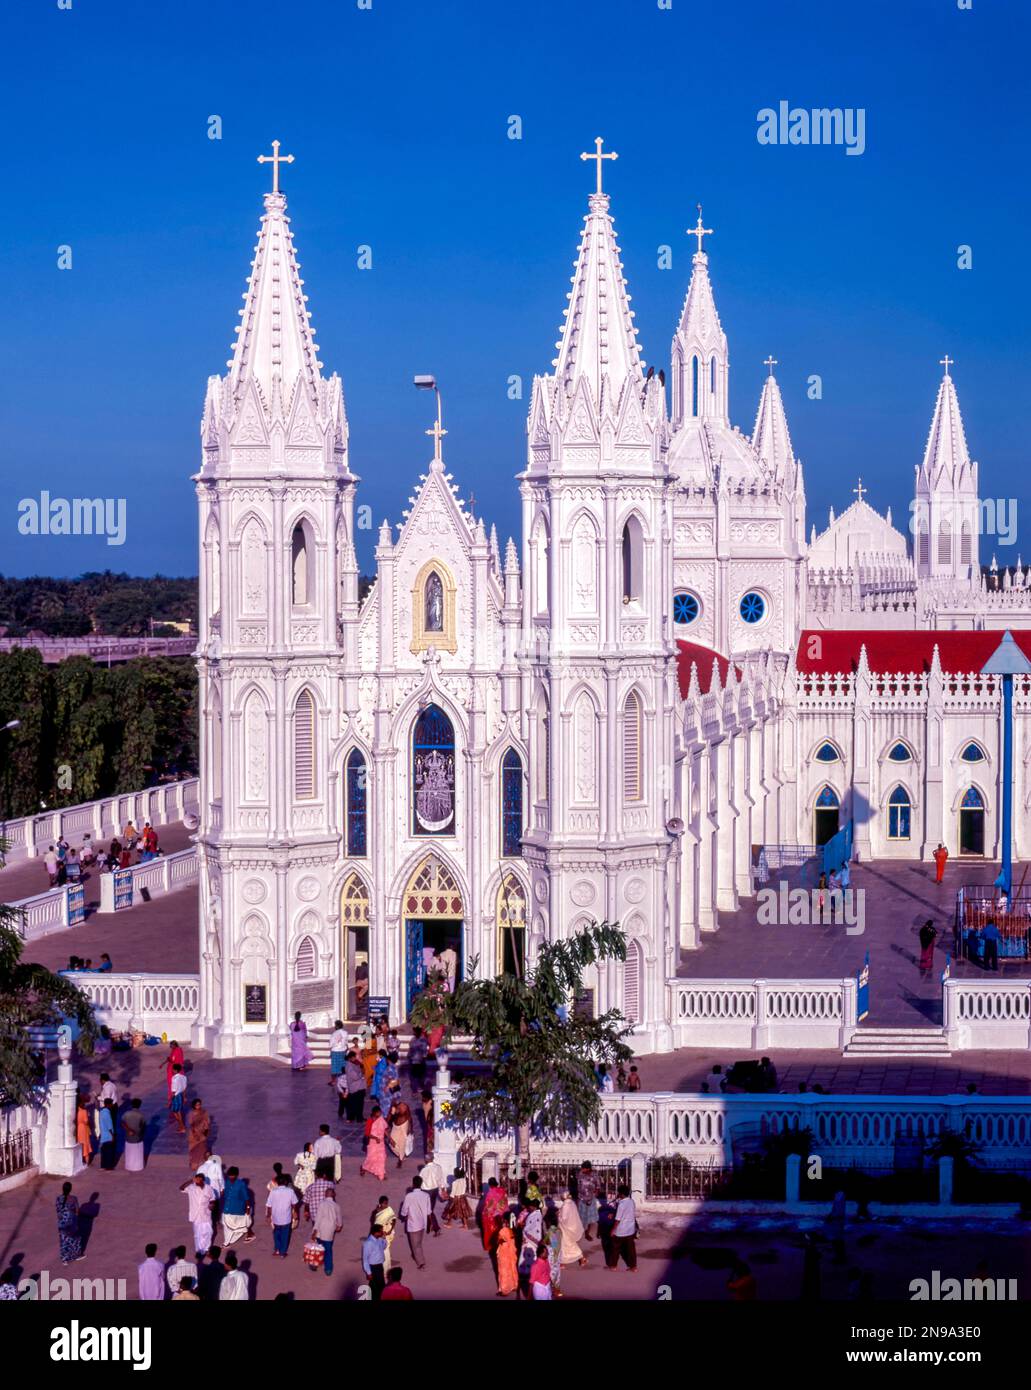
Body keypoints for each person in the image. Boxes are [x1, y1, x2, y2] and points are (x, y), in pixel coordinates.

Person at [399, 1176, 432, 1270]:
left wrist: (403, 1216)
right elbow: (429, 1211)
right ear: (421, 1184)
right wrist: (430, 1223)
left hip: (413, 1224)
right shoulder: (426, 1195)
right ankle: (417, 1255)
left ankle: (421, 1263)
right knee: (419, 1243)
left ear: (413, 1184)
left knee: (415, 1244)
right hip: (422, 1223)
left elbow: (404, 1210)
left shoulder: (409, 1196)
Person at [180, 1172, 216, 1257]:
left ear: (203, 1180)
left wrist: (212, 1205)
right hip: (196, 1215)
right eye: (195, 1179)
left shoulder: (209, 1188)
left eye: (198, 1179)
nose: (196, 1181)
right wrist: (190, 1181)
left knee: (208, 1232)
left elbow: (213, 1198)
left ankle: (207, 1249)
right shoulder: (191, 1187)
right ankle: (198, 1251)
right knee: (197, 1234)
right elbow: (181, 1188)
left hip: (206, 1214)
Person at [606, 1183, 638, 1273]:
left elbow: (618, 1219)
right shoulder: (632, 1201)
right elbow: (626, 1213)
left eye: (619, 1193)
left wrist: (613, 1230)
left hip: (621, 1230)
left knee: (615, 1248)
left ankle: (613, 1266)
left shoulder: (621, 1204)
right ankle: (633, 1267)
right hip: (630, 1229)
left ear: (621, 1194)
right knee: (631, 1249)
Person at [311, 1184, 342, 1276]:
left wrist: (315, 1230)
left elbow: (318, 1218)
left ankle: (315, 1263)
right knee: (328, 1249)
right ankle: (328, 1269)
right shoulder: (336, 1206)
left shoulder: (322, 1204)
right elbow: (339, 1220)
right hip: (330, 1230)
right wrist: (339, 1226)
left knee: (318, 1247)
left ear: (325, 1195)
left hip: (321, 1229)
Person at [266, 1173, 299, 1257]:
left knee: (276, 1233)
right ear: (286, 1182)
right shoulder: (290, 1191)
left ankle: (277, 1249)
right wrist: (295, 1211)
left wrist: (268, 1216)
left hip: (276, 1217)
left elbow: (269, 1205)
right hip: (286, 1217)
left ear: (277, 1182)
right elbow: (295, 1203)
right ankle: (282, 1252)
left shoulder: (273, 1192)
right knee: (285, 1234)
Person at [220, 1166, 255, 1246]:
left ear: (237, 1175)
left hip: (237, 1209)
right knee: (225, 1225)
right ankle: (227, 1242)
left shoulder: (241, 1184)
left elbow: (247, 1199)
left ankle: (249, 1234)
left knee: (241, 1225)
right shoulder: (226, 1182)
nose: (231, 1177)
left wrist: (248, 1209)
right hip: (226, 1208)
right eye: (229, 1175)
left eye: (233, 1175)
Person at [55, 1183, 83, 1265]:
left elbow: (58, 1211)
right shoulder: (73, 1198)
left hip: (62, 1222)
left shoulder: (58, 1198)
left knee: (64, 1240)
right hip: (71, 1222)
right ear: (70, 1189)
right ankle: (76, 1255)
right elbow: (77, 1211)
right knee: (75, 1239)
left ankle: (64, 1259)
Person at [558, 1190, 587, 1265]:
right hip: (572, 1226)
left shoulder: (565, 1205)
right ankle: (581, 1258)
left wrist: (557, 1215)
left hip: (566, 1228)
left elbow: (563, 1218)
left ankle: (564, 1261)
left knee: (566, 1244)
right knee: (569, 1243)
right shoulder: (572, 1203)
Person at [481, 1177, 509, 1252]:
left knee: (490, 1229)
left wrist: (486, 1214)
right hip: (502, 1213)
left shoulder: (490, 1193)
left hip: (494, 1215)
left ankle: (490, 1246)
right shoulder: (502, 1190)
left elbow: (489, 1206)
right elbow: (505, 1201)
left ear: (490, 1185)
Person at [360, 1105, 388, 1181]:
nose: (380, 1114)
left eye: (380, 1112)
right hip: (372, 1143)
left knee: (381, 1158)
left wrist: (390, 1139)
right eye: (378, 1112)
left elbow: (384, 1130)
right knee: (371, 1158)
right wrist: (375, 1138)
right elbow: (367, 1133)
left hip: (381, 1143)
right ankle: (363, 1167)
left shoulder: (381, 1120)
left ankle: (381, 1174)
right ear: (374, 1113)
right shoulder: (370, 1121)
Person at [362, 1224, 387, 1300]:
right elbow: (365, 1259)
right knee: (378, 1286)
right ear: (376, 1232)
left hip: (379, 1266)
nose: (383, 1232)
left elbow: (384, 1247)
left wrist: (384, 1239)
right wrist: (369, 1273)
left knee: (376, 1285)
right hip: (373, 1267)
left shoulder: (379, 1239)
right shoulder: (368, 1243)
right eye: (381, 1231)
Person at [372, 1196, 397, 1271]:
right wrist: (381, 1233)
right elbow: (376, 1225)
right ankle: (385, 1268)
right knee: (384, 1251)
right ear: (380, 1204)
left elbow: (394, 1220)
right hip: (380, 1234)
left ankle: (386, 1270)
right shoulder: (377, 1212)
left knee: (385, 1250)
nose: (386, 1205)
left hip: (387, 1233)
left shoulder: (389, 1210)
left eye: (387, 1203)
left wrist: (390, 1230)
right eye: (384, 1204)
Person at [576, 1161, 599, 1240]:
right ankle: (579, 1233)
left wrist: (593, 1196)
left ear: (588, 1168)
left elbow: (598, 1187)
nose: (582, 1169)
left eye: (584, 1168)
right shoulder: (580, 1174)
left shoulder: (595, 1176)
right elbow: (578, 1184)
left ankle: (587, 1233)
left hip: (591, 1200)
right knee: (581, 1217)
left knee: (589, 1219)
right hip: (581, 1199)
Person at [122, 1098, 146, 1172]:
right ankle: (137, 1167)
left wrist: (128, 1130)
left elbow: (122, 1123)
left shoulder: (126, 1114)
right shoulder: (141, 1115)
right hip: (138, 1138)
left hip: (128, 1138)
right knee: (137, 1154)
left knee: (129, 1152)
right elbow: (143, 1126)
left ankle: (129, 1166)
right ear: (139, 1105)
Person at [388, 1095, 412, 1167]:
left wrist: (408, 1133)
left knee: (402, 1145)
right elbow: (390, 1116)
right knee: (392, 1145)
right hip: (395, 1129)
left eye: (404, 1106)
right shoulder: (396, 1113)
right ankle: (401, 1155)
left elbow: (409, 1126)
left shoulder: (407, 1116)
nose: (402, 1106)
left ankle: (400, 1160)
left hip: (402, 1131)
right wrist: (393, 1106)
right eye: (401, 1105)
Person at [186, 1098, 211, 1171]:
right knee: (193, 1149)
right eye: (197, 1105)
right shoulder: (191, 1113)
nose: (198, 1106)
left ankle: (202, 1165)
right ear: (194, 1105)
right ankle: (194, 1165)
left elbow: (207, 1123)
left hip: (202, 1133)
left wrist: (205, 1132)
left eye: (199, 1104)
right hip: (193, 1135)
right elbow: (191, 1124)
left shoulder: (204, 1112)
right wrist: (195, 1133)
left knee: (202, 1148)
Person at [495, 1221, 518, 1297]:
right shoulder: (511, 1230)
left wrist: (498, 1240)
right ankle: (514, 1285)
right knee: (512, 1268)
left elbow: (499, 1241)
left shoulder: (502, 1231)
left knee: (503, 1271)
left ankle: (504, 1290)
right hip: (511, 1252)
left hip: (504, 1253)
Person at [344, 1051, 366, 1122]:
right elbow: (355, 1076)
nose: (355, 1058)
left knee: (359, 1103)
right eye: (354, 1057)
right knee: (356, 1104)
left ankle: (359, 1117)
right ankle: (354, 1117)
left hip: (359, 1087)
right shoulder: (349, 1066)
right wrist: (361, 1073)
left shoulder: (354, 1064)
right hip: (356, 1088)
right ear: (350, 1058)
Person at [407, 1026, 429, 1092]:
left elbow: (424, 1051)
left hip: (420, 1061)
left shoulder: (423, 1040)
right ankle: (414, 1088)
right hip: (413, 1060)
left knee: (421, 1075)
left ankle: (421, 1087)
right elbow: (410, 1049)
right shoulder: (412, 1040)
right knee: (413, 1076)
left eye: (415, 1031)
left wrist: (423, 1058)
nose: (414, 1032)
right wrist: (409, 1056)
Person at [98, 1098, 117, 1170]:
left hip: (104, 1135)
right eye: (111, 1104)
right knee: (109, 1152)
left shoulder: (102, 1112)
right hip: (108, 1136)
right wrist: (113, 1136)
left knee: (104, 1151)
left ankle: (103, 1166)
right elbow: (109, 1126)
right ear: (108, 1104)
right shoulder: (107, 1113)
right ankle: (109, 1166)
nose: (112, 1105)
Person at [75, 1096, 94, 1166]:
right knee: (86, 1144)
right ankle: (86, 1162)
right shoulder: (84, 1111)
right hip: (84, 1128)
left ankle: (81, 1160)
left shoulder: (76, 1111)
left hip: (78, 1128)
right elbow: (86, 1121)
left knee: (80, 1142)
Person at [169, 1064, 187, 1133]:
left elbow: (174, 1090)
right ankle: (181, 1126)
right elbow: (184, 1088)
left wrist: (170, 1100)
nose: (172, 1070)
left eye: (173, 1069)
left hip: (176, 1096)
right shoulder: (183, 1077)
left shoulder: (174, 1078)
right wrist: (184, 1097)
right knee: (178, 1112)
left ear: (175, 1070)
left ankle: (182, 1126)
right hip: (180, 1096)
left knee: (175, 1112)